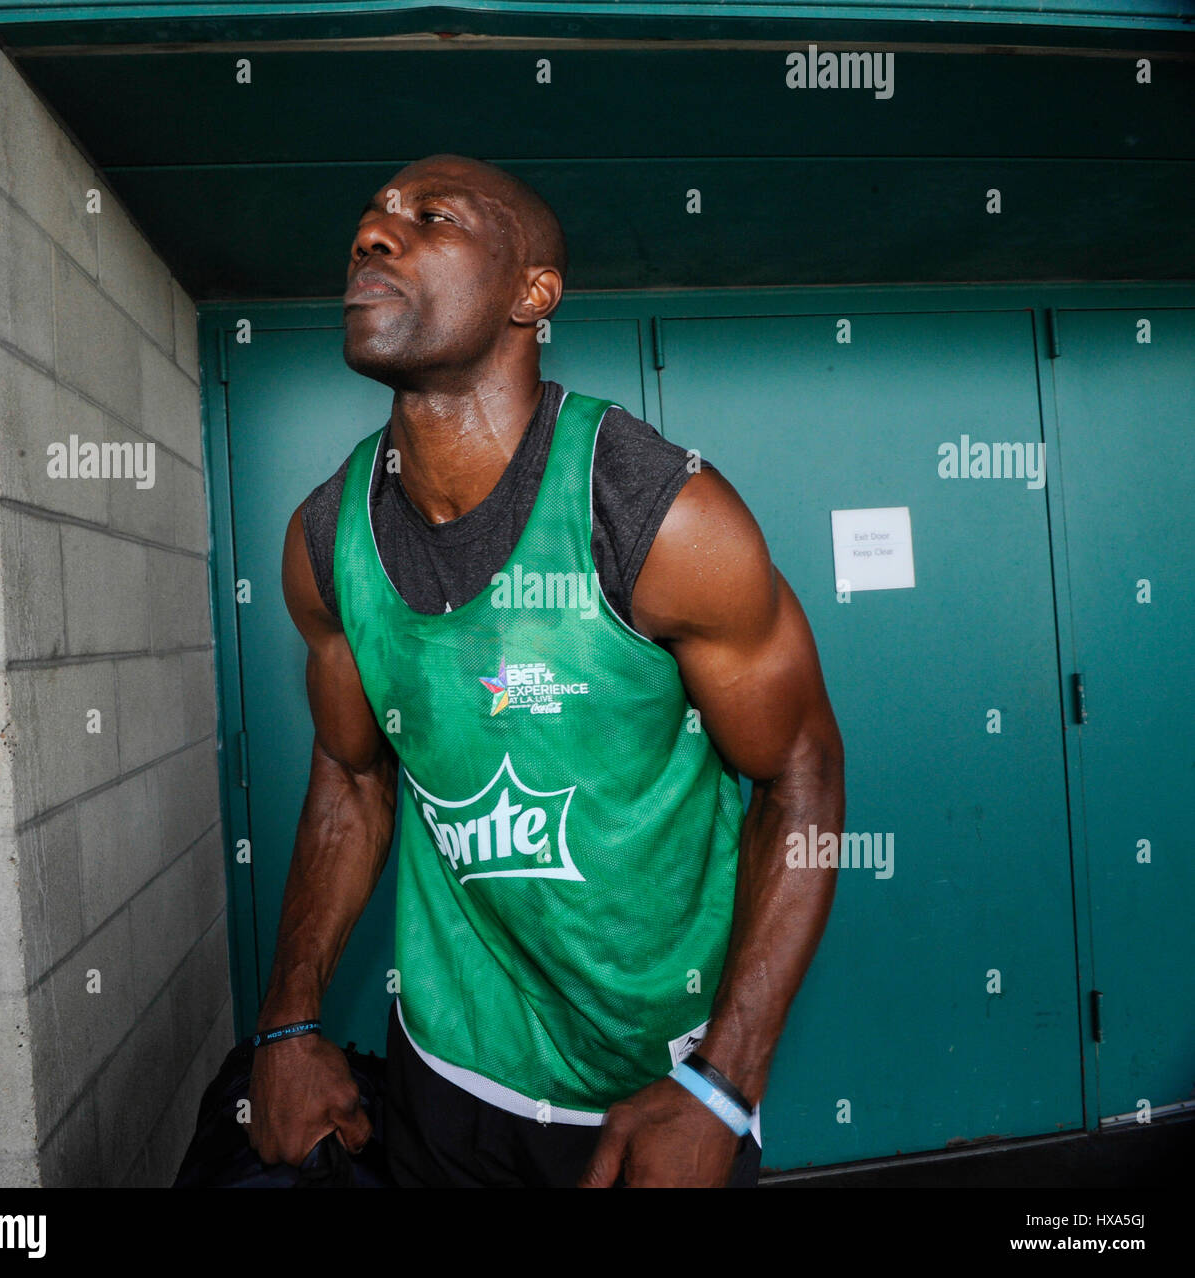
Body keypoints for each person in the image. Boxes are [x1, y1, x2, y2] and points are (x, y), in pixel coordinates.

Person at [246, 153, 845, 1188]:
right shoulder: (326, 539)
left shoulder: (659, 515)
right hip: (446, 1074)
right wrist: (288, 1023)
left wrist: (724, 1084)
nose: (372, 234)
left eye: (433, 218)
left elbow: (802, 776)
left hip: (658, 1087)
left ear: (534, 294)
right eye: (372, 216)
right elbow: (349, 778)